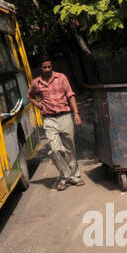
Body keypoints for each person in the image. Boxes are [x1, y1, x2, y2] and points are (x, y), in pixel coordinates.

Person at [28, 57, 82, 190]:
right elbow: (30, 96)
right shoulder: (36, 83)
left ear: (52, 67)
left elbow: (70, 95)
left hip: (65, 116)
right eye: (44, 67)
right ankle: (65, 176)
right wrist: (38, 105)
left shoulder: (61, 78)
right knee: (55, 149)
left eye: (49, 67)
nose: (47, 70)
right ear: (40, 68)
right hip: (49, 119)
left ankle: (75, 176)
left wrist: (76, 114)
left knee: (70, 148)